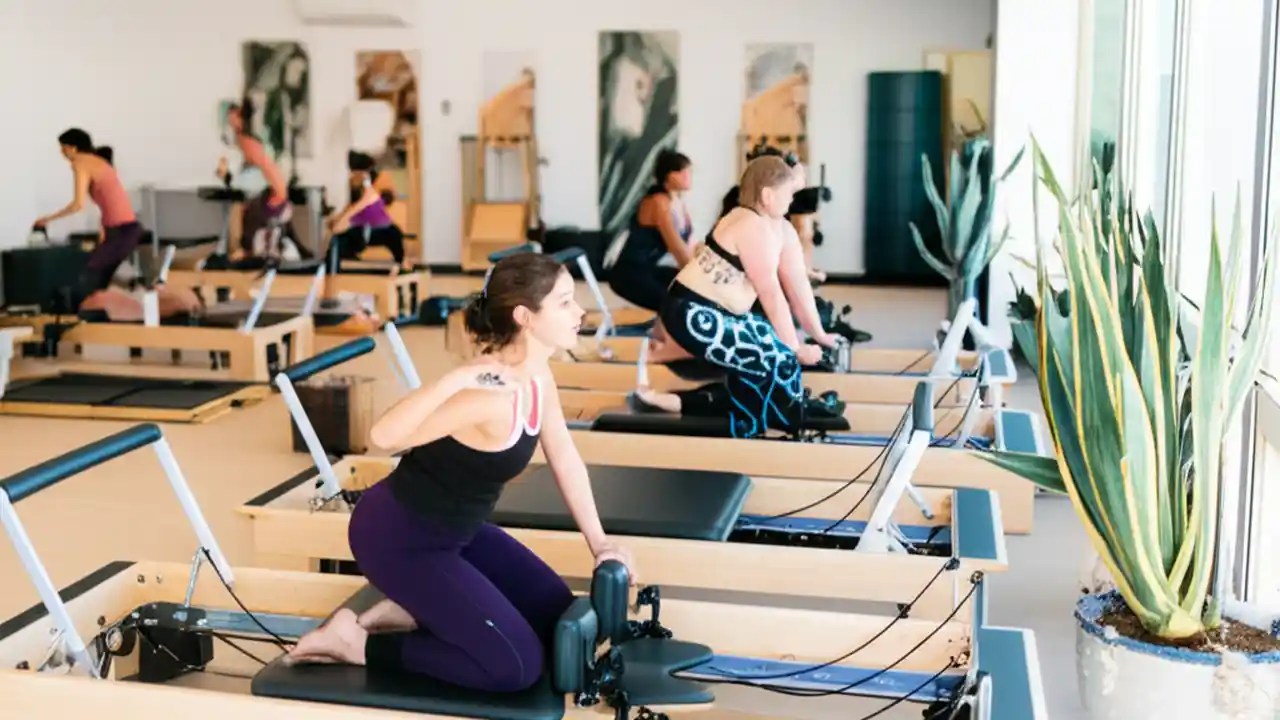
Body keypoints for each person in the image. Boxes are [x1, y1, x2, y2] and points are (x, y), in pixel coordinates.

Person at [285, 253, 637, 692]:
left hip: (458, 535)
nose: (580, 311)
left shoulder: (538, 376)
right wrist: (458, 377)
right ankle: (355, 643)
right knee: (515, 668)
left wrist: (599, 541)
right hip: (399, 541)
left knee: (553, 617)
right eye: (565, 302)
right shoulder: (487, 397)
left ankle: (412, 609)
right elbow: (384, 434)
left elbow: (563, 454)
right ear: (525, 316)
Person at [648, 155, 840, 439]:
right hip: (691, 313)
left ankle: (782, 408)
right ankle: (765, 418)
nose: (793, 200)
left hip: (723, 313)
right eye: (789, 193)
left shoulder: (781, 229)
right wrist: (795, 347)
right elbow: (772, 294)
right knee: (775, 356)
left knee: (769, 343)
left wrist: (820, 334)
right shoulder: (749, 223)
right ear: (766, 195)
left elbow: (798, 287)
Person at [34, 129, 144, 310]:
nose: (62, 153)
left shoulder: (80, 163)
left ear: (73, 148)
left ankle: (84, 317)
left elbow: (78, 204)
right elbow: (107, 201)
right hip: (122, 230)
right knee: (100, 277)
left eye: (63, 148)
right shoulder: (100, 162)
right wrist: (104, 232)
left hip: (122, 231)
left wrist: (47, 219)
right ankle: (102, 314)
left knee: (91, 276)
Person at [219, 98, 294, 260]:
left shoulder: (248, 143)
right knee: (238, 209)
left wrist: (279, 194)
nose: (230, 122)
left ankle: (243, 251)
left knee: (239, 211)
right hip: (263, 195)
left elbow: (268, 169)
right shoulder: (239, 143)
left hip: (270, 195)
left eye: (233, 117)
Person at [324, 151, 410, 273]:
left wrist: (338, 223)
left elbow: (351, 213)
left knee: (337, 237)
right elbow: (350, 210)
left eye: (354, 173)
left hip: (384, 232)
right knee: (337, 240)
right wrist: (336, 219)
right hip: (364, 231)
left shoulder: (369, 194)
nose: (351, 177)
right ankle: (333, 275)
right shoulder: (359, 192)